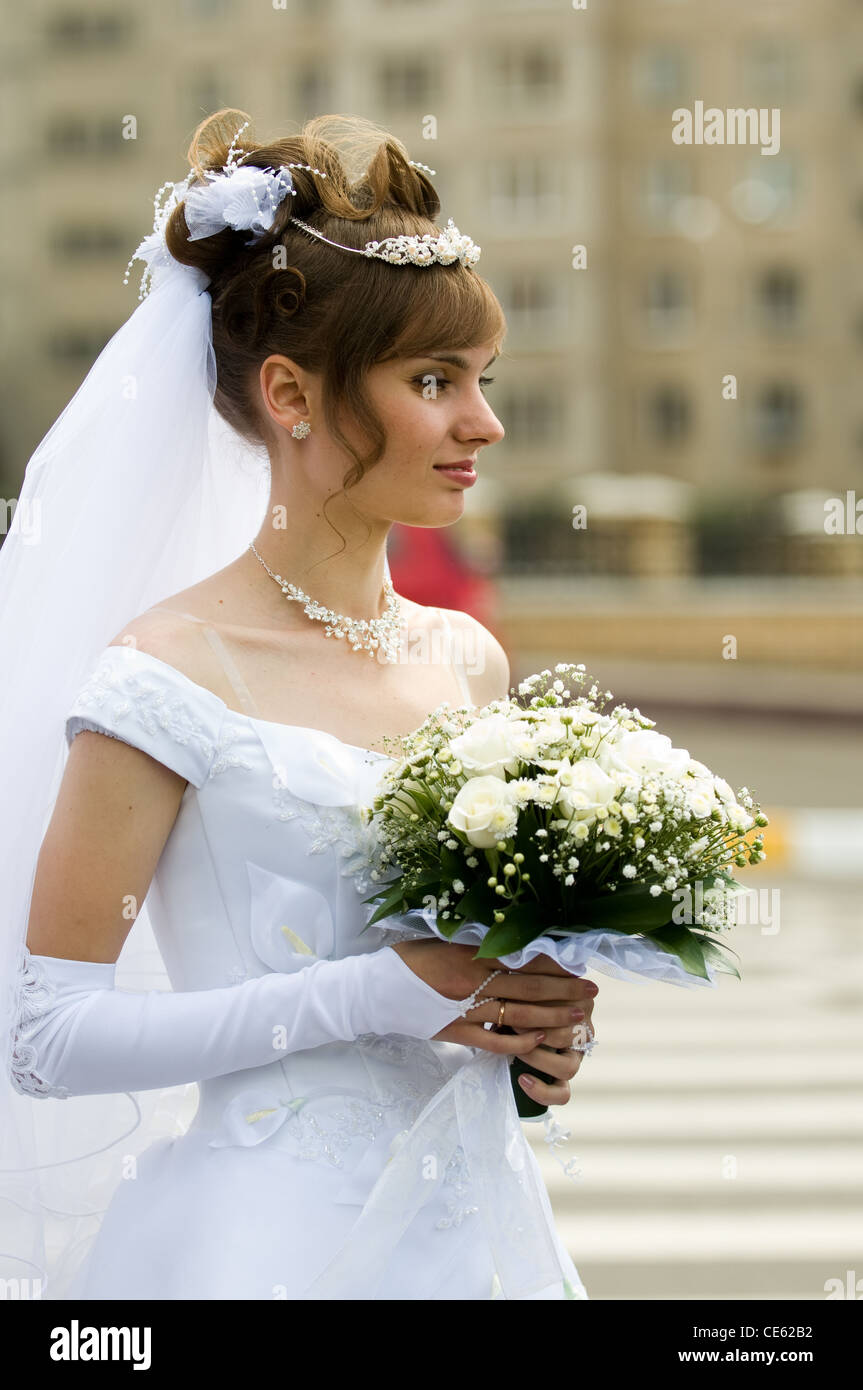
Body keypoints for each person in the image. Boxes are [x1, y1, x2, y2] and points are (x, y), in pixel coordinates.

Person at [1, 109, 596, 1300]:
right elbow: (45, 1037)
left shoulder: (468, 659)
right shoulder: (167, 670)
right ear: (291, 392)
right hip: (271, 1245)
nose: (481, 422)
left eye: (482, 380)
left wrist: (535, 1028)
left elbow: (463, 979)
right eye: (434, 382)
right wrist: (375, 995)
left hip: (481, 1233)